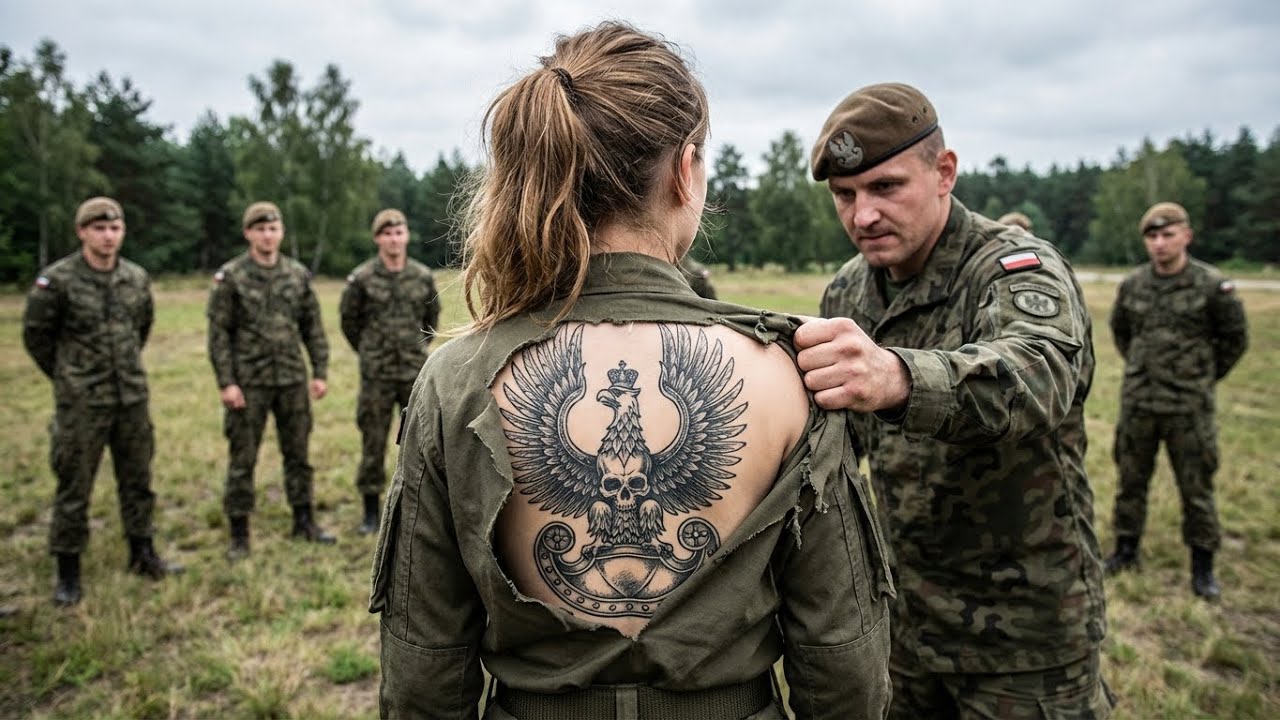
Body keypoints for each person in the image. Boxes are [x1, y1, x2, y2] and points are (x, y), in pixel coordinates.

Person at [370, 22, 893, 720]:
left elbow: (423, 676)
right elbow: (843, 668)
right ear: (685, 170)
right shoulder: (792, 372)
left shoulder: (457, 378)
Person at [798, 83, 1112, 718]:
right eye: (845, 195)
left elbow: (1039, 375)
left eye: (886, 188)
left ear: (944, 173)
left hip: (1024, 639)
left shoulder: (1014, 269)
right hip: (904, 624)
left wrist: (899, 378)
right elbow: (838, 452)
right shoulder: (849, 293)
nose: (862, 216)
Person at [22, 196, 182, 606]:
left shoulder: (135, 278)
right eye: (99, 228)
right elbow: (37, 337)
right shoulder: (57, 281)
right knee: (75, 484)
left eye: (114, 228)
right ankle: (68, 570)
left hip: (130, 396)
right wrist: (69, 377)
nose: (108, 236)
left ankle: (142, 553)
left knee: (138, 479)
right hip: (81, 404)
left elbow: (141, 327)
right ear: (82, 232)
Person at [1105, 201, 1248, 601]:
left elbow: (1234, 339)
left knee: (1196, 486)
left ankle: (1203, 568)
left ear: (1186, 235)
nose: (1159, 243)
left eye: (1167, 235)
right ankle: (1126, 550)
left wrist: (1201, 376)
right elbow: (1121, 333)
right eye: (1152, 236)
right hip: (1140, 403)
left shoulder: (1211, 285)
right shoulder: (1133, 285)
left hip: (1189, 407)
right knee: (1130, 480)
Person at [207, 201, 335, 559]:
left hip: (291, 378)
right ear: (248, 233)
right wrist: (226, 382)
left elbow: (312, 327)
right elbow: (219, 334)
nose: (268, 235)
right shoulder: (231, 277)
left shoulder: (297, 275)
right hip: (249, 383)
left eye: (273, 228)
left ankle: (304, 521)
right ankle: (239, 533)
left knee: (298, 453)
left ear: (281, 232)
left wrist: (320, 370)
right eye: (260, 229)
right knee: (243, 457)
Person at [339, 209, 441, 534]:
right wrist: (370, 351)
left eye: (399, 233)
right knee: (373, 439)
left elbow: (430, 321)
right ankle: (371, 512)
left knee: (419, 442)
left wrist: (414, 349)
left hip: (413, 372)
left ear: (406, 236)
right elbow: (349, 322)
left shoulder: (422, 277)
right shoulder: (362, 279)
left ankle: (419, 510)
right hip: (377, 375)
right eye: (387, 234)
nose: (394, 239)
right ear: (378, 239)